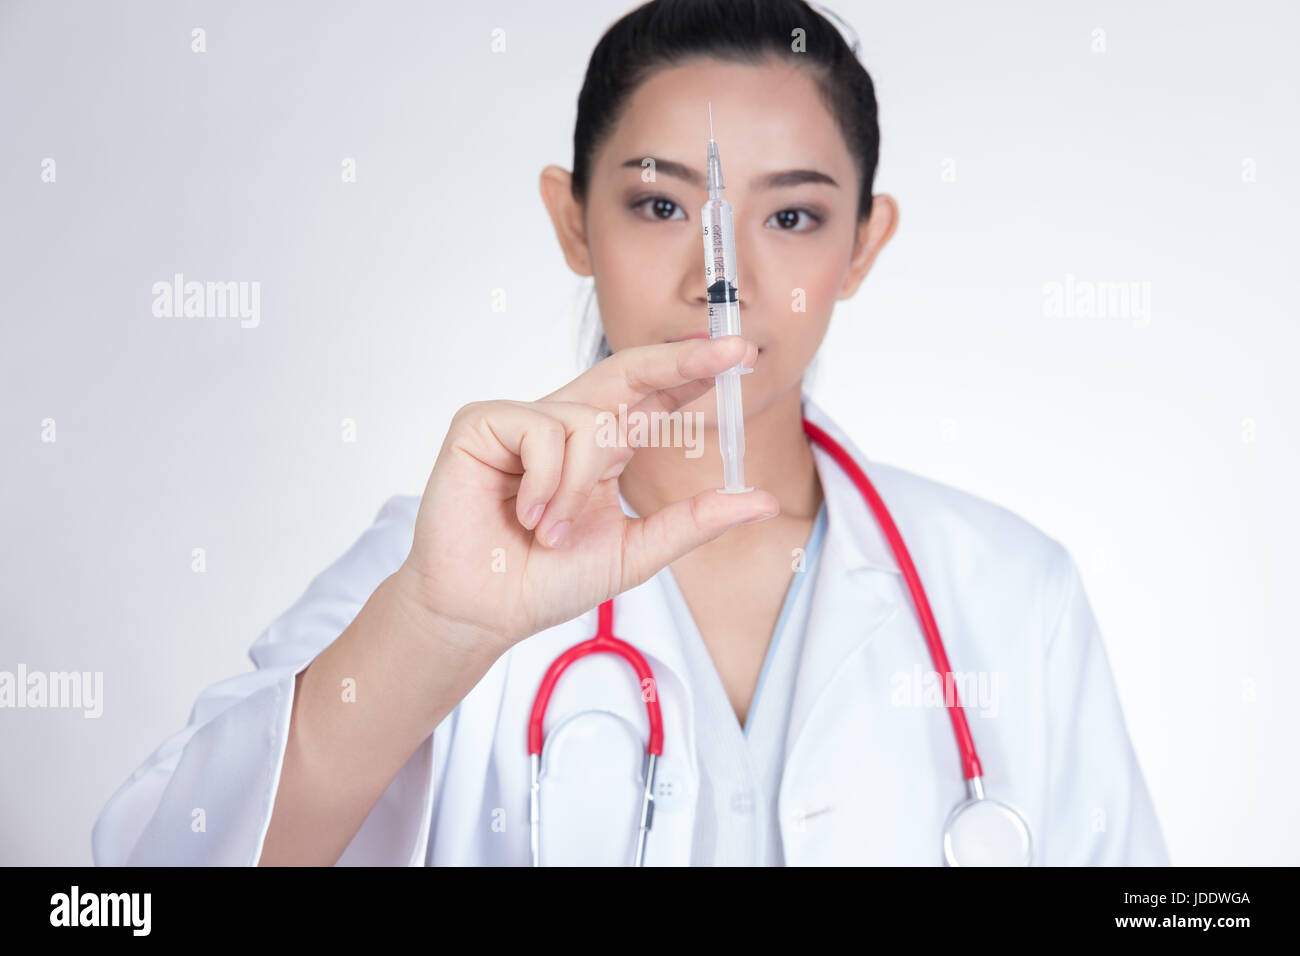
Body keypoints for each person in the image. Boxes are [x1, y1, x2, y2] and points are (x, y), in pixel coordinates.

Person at [91, 0, 1169, 866]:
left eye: (791, 215)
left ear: (863, 243)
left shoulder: (1010, 592)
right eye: (661, 206)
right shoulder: (444, 562)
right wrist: (431, 630)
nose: (722, 278)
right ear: (572, 221)